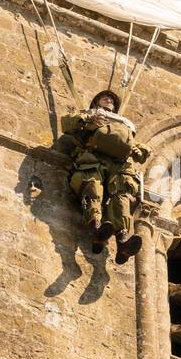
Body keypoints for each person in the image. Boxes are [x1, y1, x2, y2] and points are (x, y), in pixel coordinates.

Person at [59, 91, 150, 263]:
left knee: (122, 196)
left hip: (120, 165)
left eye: (112, 100)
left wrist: (141, 151)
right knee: (92, 186)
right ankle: (95, 227)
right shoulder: (89, 114)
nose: (109, 100)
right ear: (96, 102)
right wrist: (87, 120)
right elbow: (67, 123)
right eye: (105, 98)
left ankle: (123, 240)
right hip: (92, 158)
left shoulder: (123, 125)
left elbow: (136, 146)